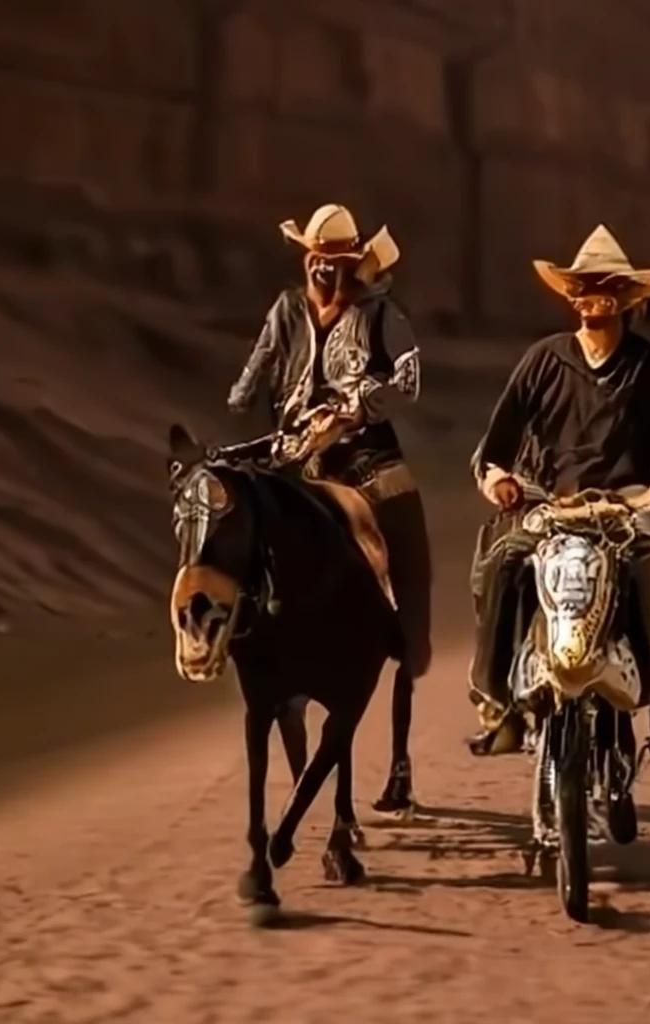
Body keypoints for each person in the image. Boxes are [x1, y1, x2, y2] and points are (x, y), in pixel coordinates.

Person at [467, 224, 650, 754]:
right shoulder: (543, 359)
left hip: (627, 503)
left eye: (601, 286)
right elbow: (495, 444)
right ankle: (497, 702)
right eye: (580, 287)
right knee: (504, 559)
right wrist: (499, 478)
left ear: (625, 298)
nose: (588, 296)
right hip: (551, 505)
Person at [227, 203, 431, 814]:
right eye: (316, 257)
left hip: (367, 457)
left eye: (336, 260)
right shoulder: (288, 309)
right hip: (295, 454)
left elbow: (409, 380)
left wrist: (360, 404)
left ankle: (401, 747)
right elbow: (261, 360)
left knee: (405, 543)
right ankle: (237, 630)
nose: (323, 268)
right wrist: (245, 397)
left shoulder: (382, 315)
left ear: (355, 264)